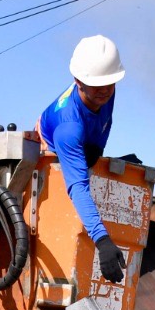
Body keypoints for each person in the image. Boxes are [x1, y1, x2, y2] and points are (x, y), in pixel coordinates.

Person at [38, 34, 128, 284]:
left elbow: (106, 120)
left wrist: (98, 149)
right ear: (78, 81)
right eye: (98, 85)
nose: (105, 90)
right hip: (50, 151)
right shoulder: (69, 128)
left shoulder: (105, 89)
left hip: (82, 137)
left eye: (110, 83)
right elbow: (77, 187)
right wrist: (102, 240)